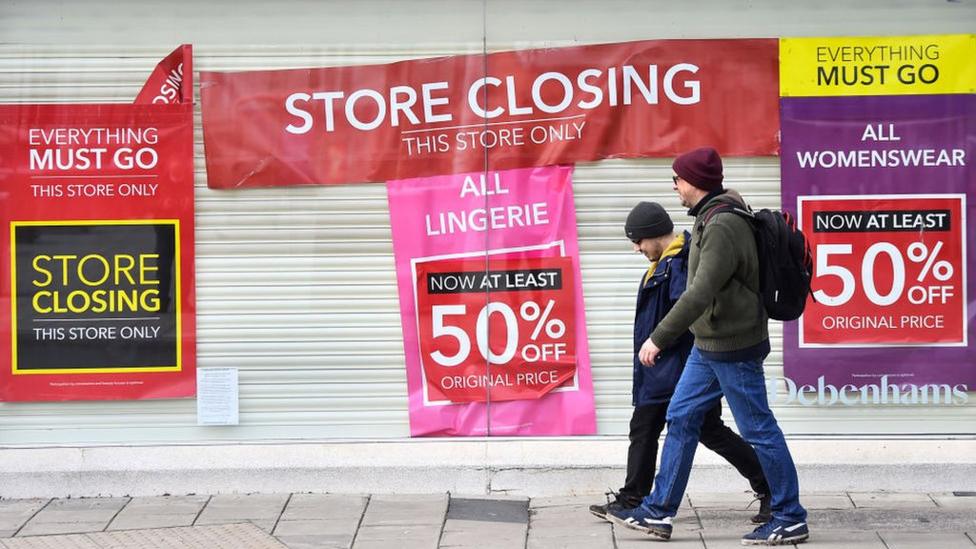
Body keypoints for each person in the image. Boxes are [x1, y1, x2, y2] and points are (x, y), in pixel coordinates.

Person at [608, 148, 810, 546]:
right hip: (708, 343)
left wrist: (658, 337)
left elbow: (700, 291)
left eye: (677, 179)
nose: (674, 186)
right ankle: (659, 511)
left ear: (695, 181)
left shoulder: (721, 224)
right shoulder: (710, 217)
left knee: (758, 428)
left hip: (732, 344)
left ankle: (789, 515)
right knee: (681, 416)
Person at [589, 201, 771, 525]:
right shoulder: (669, 260)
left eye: (638, 241)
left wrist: (658, 344)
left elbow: (688, 313)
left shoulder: (680, 264)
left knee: (648, 427)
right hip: (667, 368)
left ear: (652, 235)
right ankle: (767, 486)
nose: (636, 249)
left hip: (675, 369)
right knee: (706, 431)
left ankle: (636, 497)